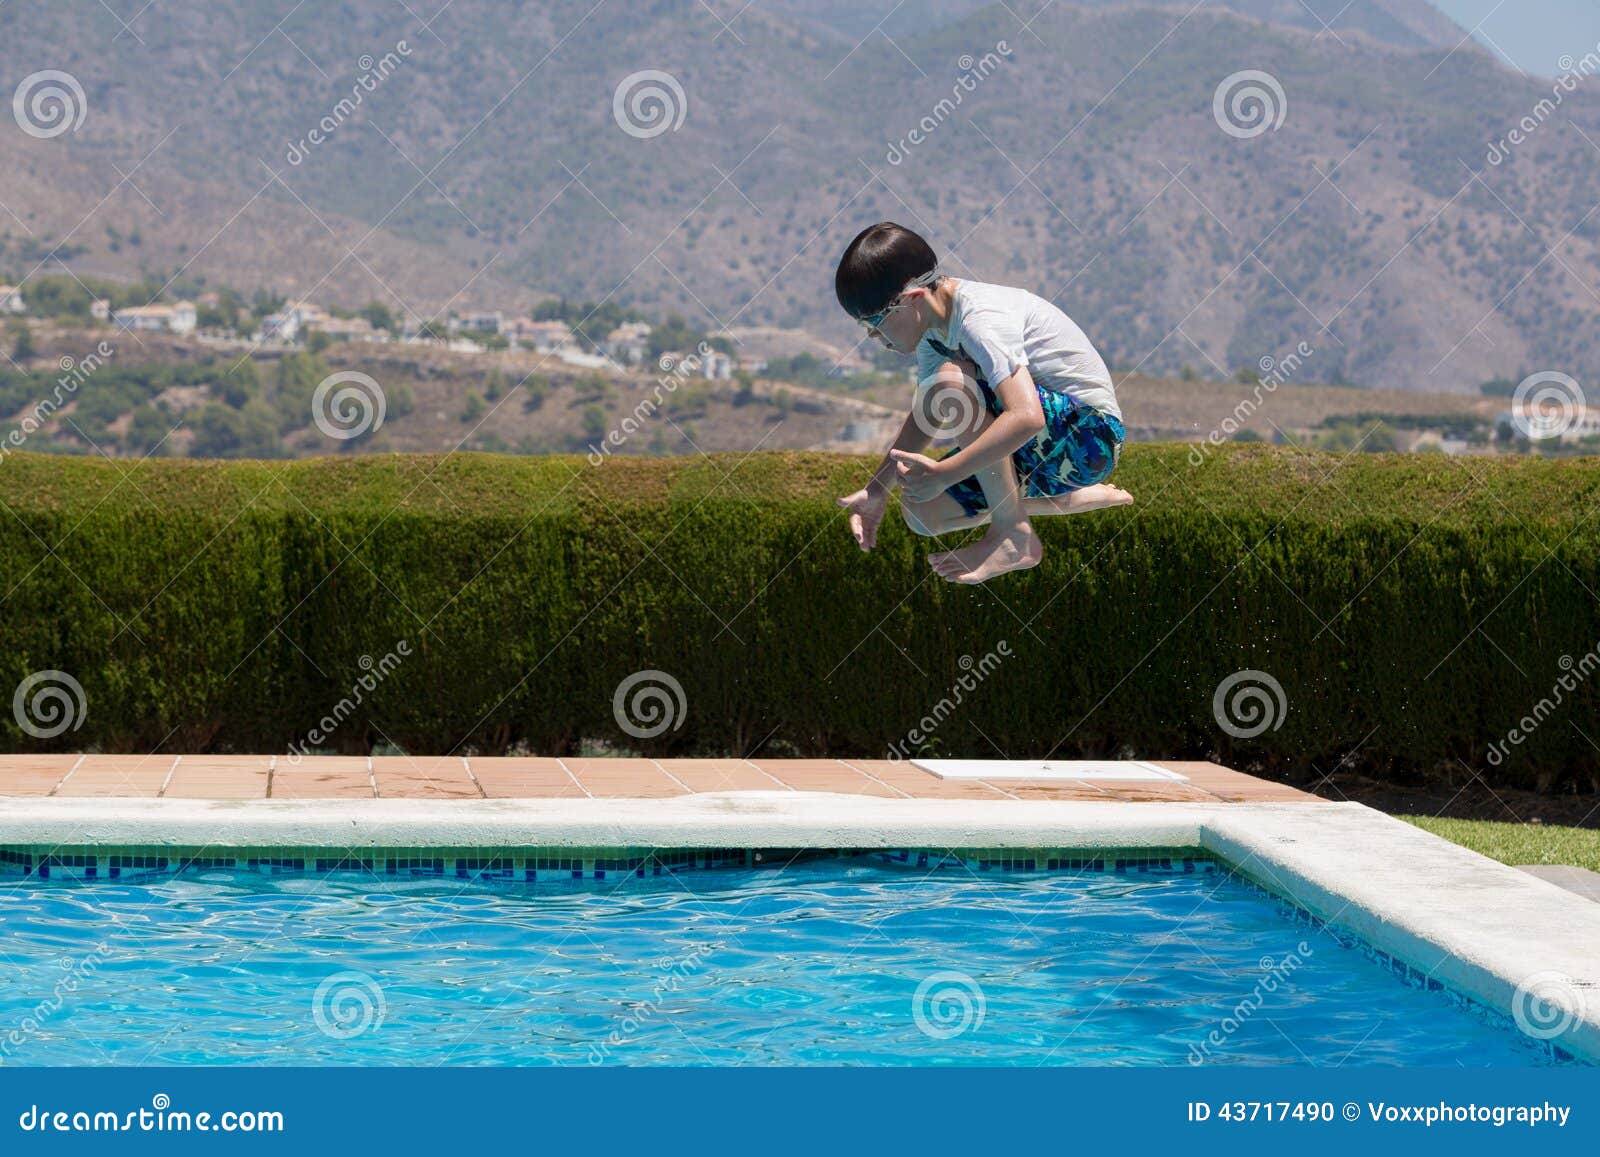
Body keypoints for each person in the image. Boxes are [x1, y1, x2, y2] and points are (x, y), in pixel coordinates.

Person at [834, 221, 1133, 584]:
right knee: (921, 511)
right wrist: (877, 489)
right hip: (1049, 456)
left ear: (912, 299)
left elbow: (1027, 417)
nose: (873, 336)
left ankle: (1013, 532)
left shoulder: (980, 318)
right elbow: (927, 412)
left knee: (950, 381)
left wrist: (946, 473)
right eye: (864, 326)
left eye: (875, 321)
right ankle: (1061, 501)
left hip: (1090, 435)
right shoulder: (932, 331)